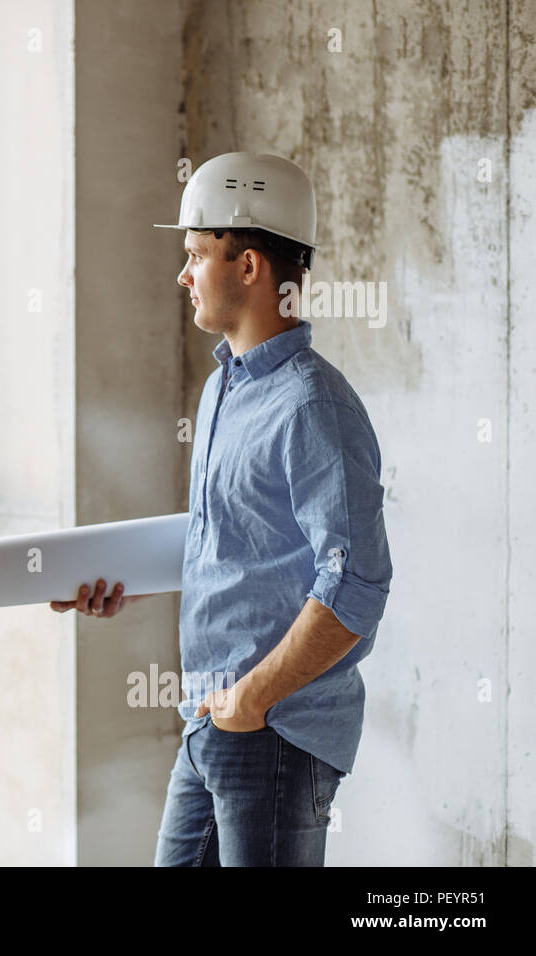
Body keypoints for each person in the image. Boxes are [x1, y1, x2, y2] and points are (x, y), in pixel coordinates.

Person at [50, 152, 393, 866]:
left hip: (275, 733)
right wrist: (122, 581)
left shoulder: (313, 406)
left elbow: (357, 581)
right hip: (211, 723)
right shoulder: (224, 389)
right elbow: (233, 541)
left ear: (248, 268)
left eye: (195, 254)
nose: (181, 275)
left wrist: (253, 699)